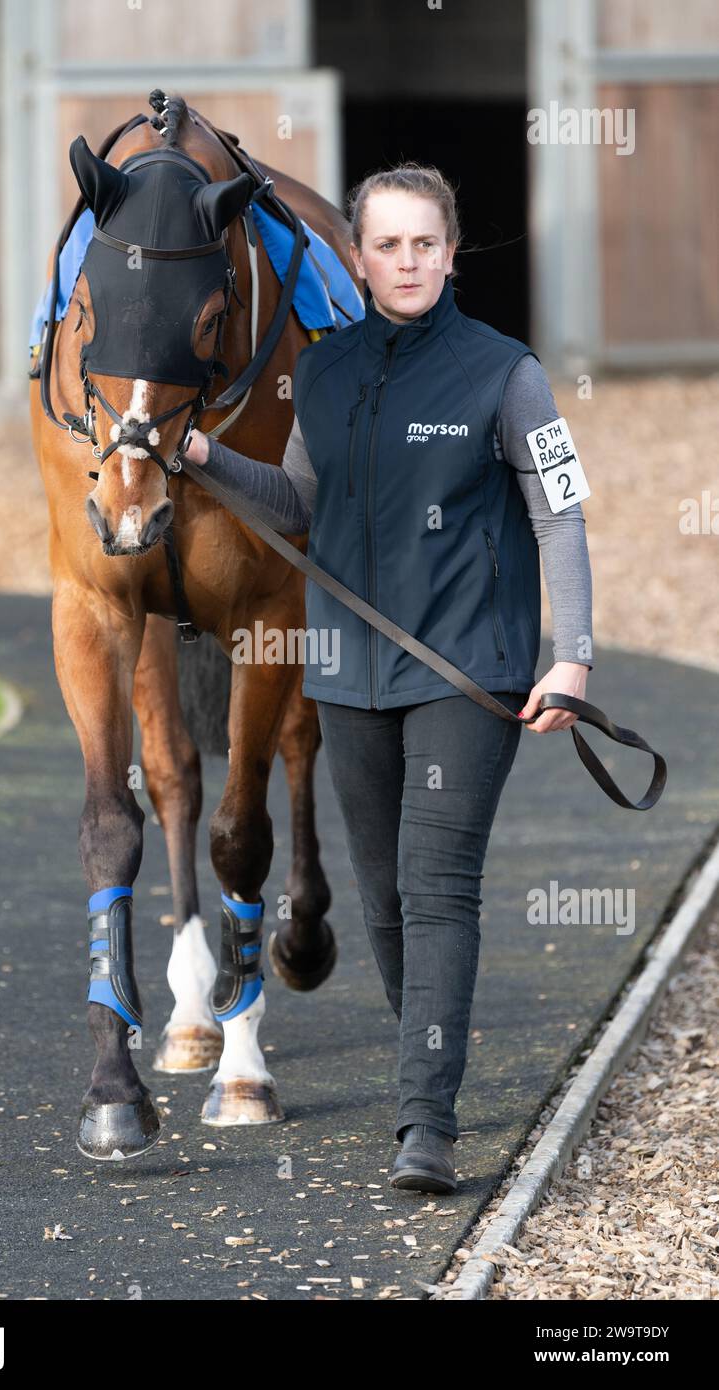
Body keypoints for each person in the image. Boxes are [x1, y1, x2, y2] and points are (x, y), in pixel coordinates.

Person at [180, 163, 593, 1195]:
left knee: (436, 888)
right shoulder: (322, 372)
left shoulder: (509, 373)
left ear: (449, 253)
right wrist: (199, 455)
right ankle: (430, 1071)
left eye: (424, 243)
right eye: (385, 245)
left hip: (466, 673)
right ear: (356, 259)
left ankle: (426, 1121)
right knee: (379, 902)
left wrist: (571, 654)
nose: (405, 261)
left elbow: (558, 513)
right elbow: (296, 504)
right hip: (347, 677)